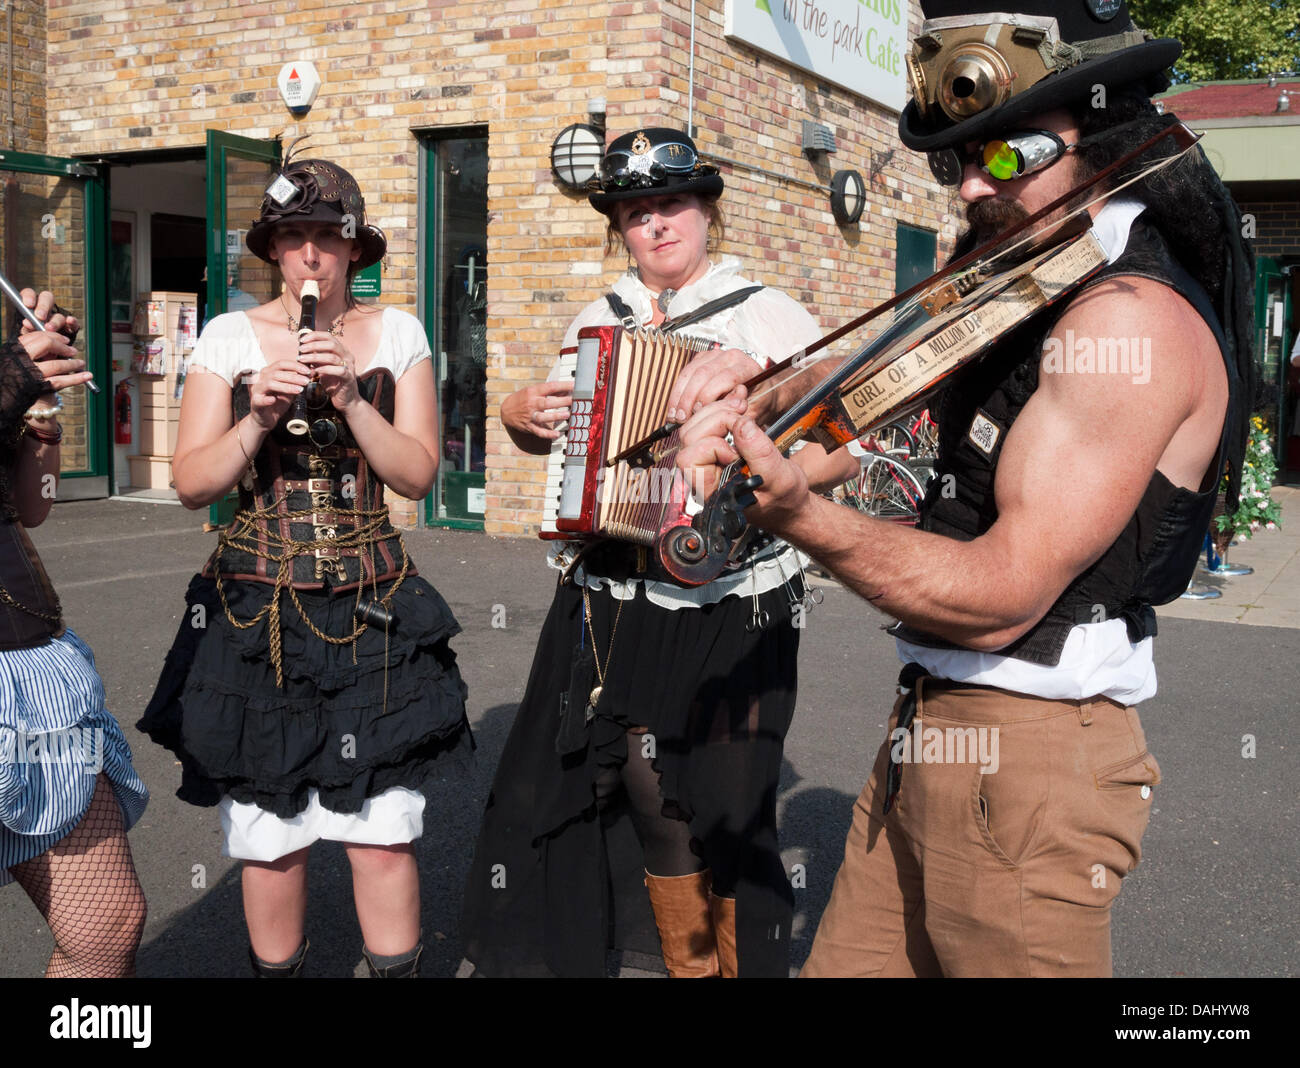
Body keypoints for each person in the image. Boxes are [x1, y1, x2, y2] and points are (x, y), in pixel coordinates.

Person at [677, 1, 1257, 977]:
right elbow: (869, 395)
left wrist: (799, 518)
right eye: (956, 162)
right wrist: (755, 391)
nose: (971, 189)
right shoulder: (1023, 270)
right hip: (924, 731)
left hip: (1028, 764)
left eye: (1005, 157)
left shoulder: (1127, 325)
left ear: (1107, 139)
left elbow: (1000, 597)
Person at [460, 127, 858, 977]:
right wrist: (518, 415)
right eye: (636, 213)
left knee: (726, 801)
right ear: (620, 229)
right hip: (612, 586)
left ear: (707, 210)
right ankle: (688, 963)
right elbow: (571, 445)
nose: (657, 226)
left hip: (734, 592)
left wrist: (767, 411)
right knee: (641, 785)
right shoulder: (594, 318)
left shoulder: (766, 310)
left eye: (672, 204)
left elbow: (849, 437)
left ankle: (743, 962)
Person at [138, 156, 471, 978]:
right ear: (274, 251)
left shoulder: (399, 333)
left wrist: (355, 400)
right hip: (261, 609)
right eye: (295, 239)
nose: (312, 256)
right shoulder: (228, 336)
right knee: (271, 842)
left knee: (382, 839)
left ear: (356, 250)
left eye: (329, 237)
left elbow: (417, 475)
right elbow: (191, 484)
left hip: (371, 603)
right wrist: (257, 417)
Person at [1, 288, 149, 976]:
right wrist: (7, 374)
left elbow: (35, 506)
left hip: (25, 671)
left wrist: (38, 402)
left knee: (106, 927)